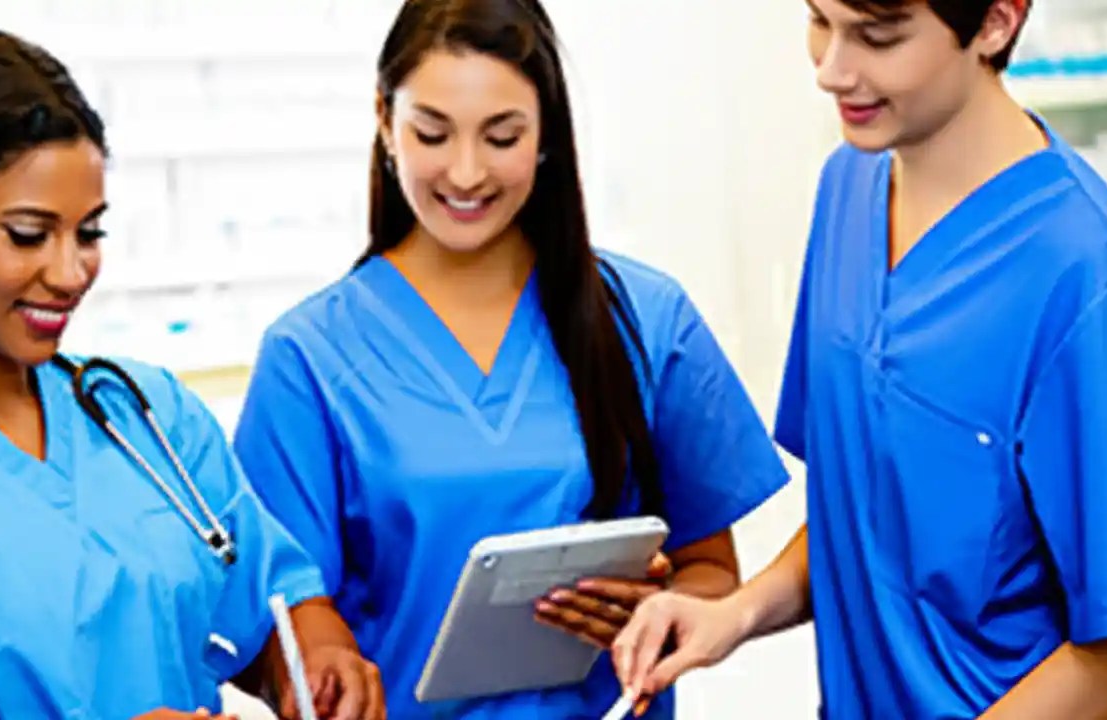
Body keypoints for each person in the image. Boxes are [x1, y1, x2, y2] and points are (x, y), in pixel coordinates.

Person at [230, 0, 790, 717]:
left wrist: (659, 615)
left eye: (501, 136)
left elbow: (711, 573)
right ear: (384, 123)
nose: (465, 173)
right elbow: (270, 624)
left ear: (547, 133)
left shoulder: (647, 318)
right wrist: (310, 664)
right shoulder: (309, 356)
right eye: (433, 132)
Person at [613, 0, 1107, 717]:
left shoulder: (1085, 272)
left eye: (878, 37)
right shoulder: (847, 189)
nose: (830, 70)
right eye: (819, 21)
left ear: (996, 23)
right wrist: (734, 614)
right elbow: (860, 513)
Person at [0, 31, 384, 720]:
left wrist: (316, 662)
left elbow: (278, 606)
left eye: (90, 232)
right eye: (27, 234)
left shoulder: (144, 412)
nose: (71, 273)